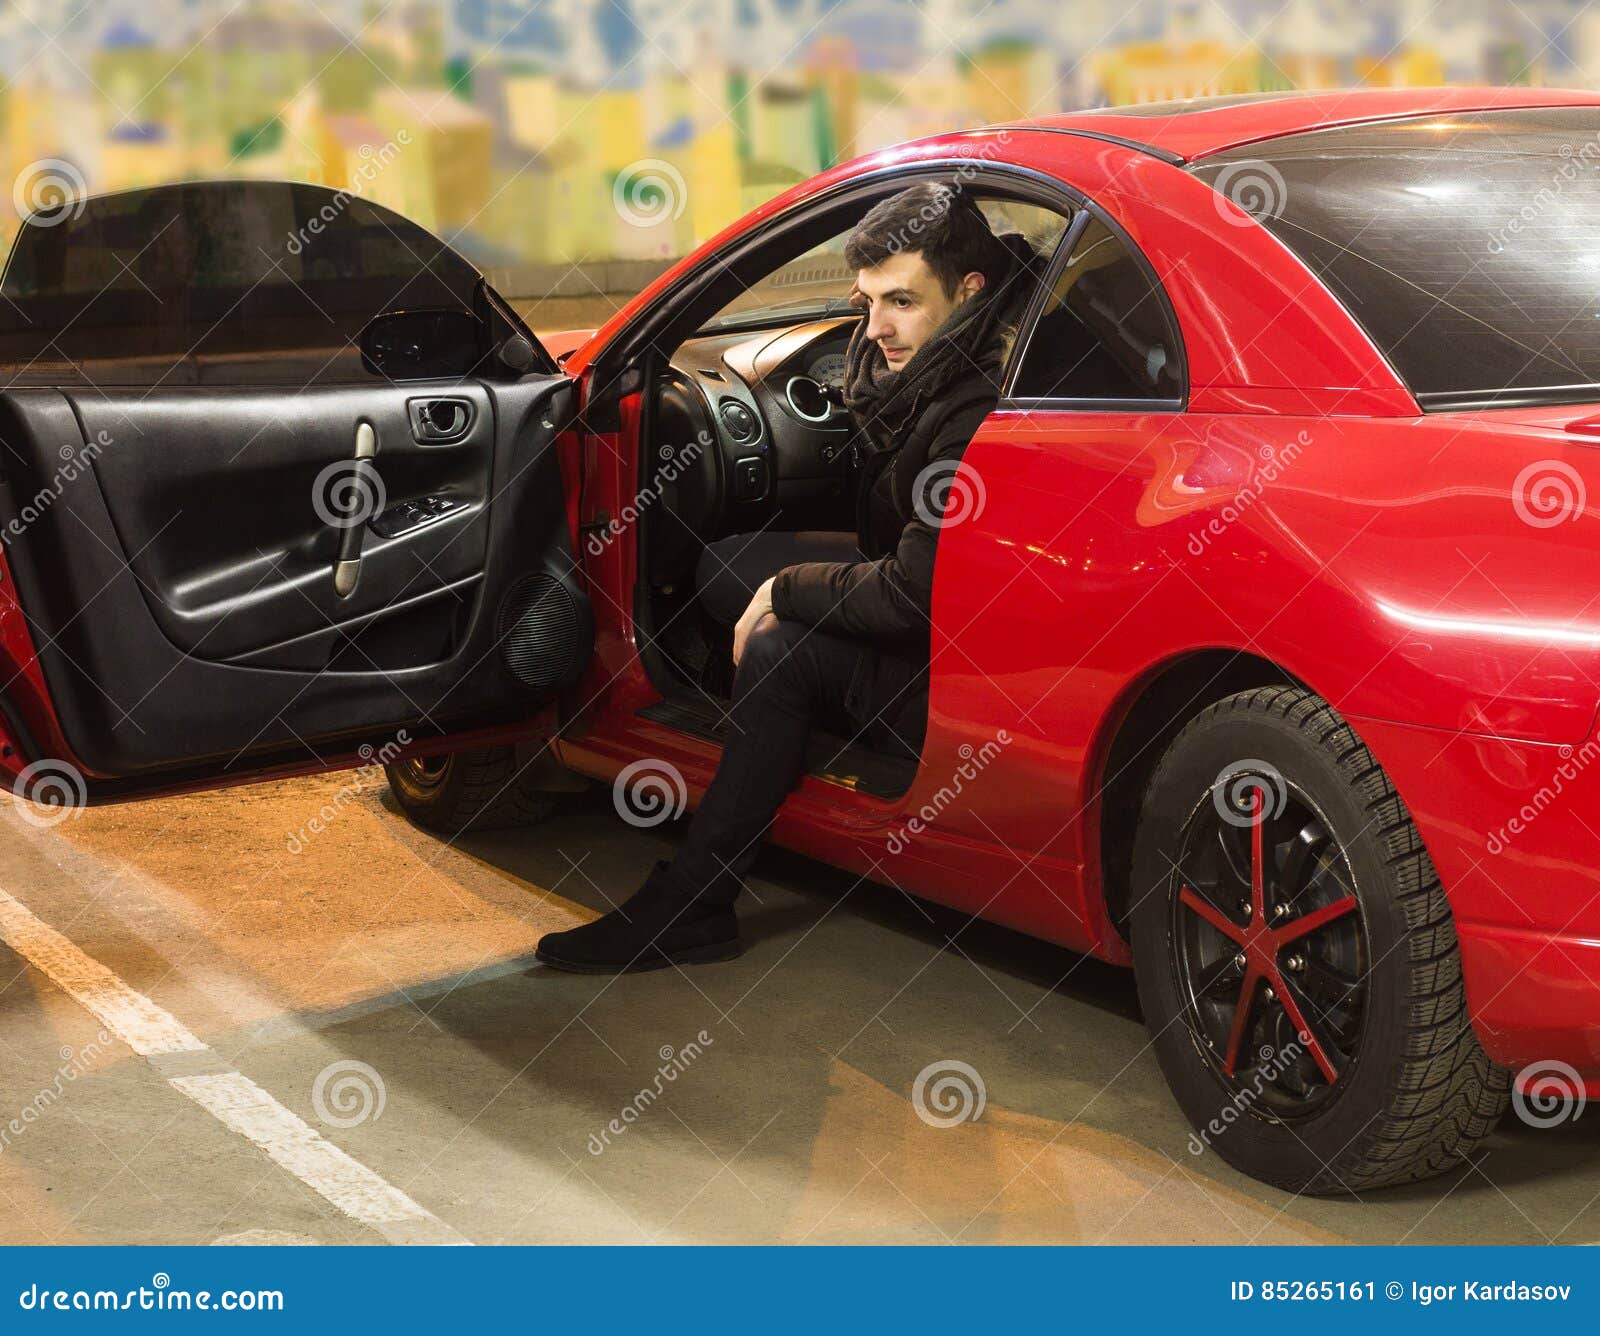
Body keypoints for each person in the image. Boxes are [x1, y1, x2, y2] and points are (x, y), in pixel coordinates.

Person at [536, 180, 1041, 974]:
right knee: (731, 562)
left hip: (971, 674)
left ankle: (693, 904)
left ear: (969, 290)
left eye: (902, 302)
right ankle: (760, 733)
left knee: (777, 641)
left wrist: (785, 594)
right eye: (866, 301)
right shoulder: (962, 358)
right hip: (967, 626)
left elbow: (915, 593)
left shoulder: (972, 403)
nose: (875, 330)